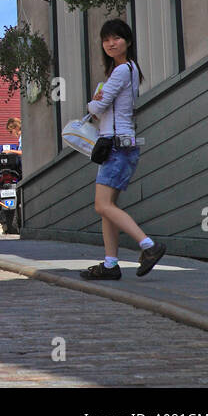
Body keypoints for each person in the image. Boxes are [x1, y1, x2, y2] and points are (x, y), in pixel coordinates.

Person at [80, 19, 166, 280]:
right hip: (121, 145)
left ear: (128, 42)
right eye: (106, 40)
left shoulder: (120, 72)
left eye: (116, 38)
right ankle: (110, 264)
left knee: (102, 206)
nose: (110, 43)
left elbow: (98, 107)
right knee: (109, 208)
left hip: (117, 146)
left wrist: (91, 104)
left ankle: (148, 246)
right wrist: (99, 104)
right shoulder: (128, 70)